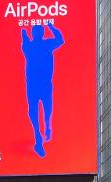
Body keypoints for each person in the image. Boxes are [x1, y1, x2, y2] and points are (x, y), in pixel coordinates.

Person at [21, 23, 65, 157]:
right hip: (35, 84)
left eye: (39, 32)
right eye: (36, 32)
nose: (38, 34)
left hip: (42, 83)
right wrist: (51, 27)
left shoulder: (43, 44)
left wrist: (51, 28)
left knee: (46, 109)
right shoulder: (39, 45)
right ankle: (38, 137)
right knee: (33, 110)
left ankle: (46, 127)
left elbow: (61, 40)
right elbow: (60, 39)